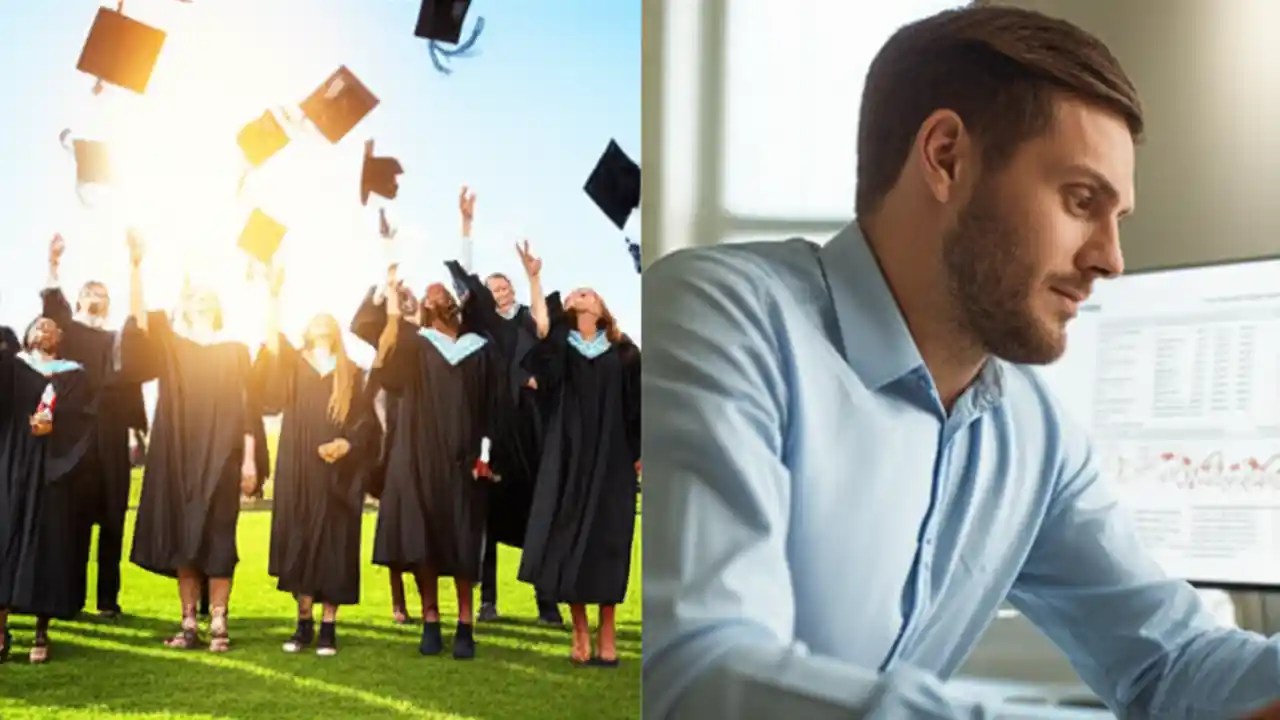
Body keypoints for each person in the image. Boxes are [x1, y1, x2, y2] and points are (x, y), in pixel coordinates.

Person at [642, 5, 1280, 720]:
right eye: (1081, 201)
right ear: (947, 157)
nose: (1110, 259)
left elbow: (1173, 661)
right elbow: (696, 674)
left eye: (1117, 219)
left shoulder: (1033, 436)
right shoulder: (719, 319)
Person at [121, 232, 268, 653]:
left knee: (220, 536)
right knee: (185, 539)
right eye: (194, 298)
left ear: (217, 308)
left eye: (208, 298)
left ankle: (219, 621)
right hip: (180, 456)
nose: (201, 301)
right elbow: (139, 327)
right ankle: (188, 623)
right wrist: (136, 267)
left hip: (223, 456)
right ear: (184, 306)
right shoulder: (172, 346)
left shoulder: (235, 351)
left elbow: (247, 409)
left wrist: (250, 461)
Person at [351, 266, 500, 660]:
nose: (437, 296)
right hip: (418, 456)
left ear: (454, 303)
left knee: (464, 539)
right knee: (423, 541)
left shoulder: (478, 349)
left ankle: (465, 623)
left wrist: (485, 455)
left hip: (462, 458)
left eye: (442, 293)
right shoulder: (415, 345)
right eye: (431, 294)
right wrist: (392, 301)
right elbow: (381, 353)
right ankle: (431, 618)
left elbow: (491, 407)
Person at [515, 241, 641, 668]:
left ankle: (608, 629)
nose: (580, 295)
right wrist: (534, 279)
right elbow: (540, 328)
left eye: (588, 293)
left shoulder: (625, 352)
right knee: (569, 539)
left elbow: (637, 405)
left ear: (602, 308)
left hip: (613, 458)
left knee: (609, 541)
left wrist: (639, 451)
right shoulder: (562, 347)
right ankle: (580, 629)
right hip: (568, 455)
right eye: (575, 293)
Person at [257, 268, 381, 656]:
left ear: (336, 331)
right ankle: (303, 622)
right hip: (299, 464)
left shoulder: (352, 372)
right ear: (307, 331)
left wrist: (347, 443)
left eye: (329, 320)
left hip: (338, 470)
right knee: (300, 539)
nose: (322, 322)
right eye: (316, 320)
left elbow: (366, 422)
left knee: (334, 543)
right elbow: (271, 344)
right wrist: (273, 295)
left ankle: (328, 626)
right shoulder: (294, 363)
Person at [455, 189, 563, 627]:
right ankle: (487, 601)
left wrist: (535, 278)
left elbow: (544, 325)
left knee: (539, 511)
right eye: (493, 288)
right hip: (493, 428)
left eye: (504, 287)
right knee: (488, 514)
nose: (498, 292)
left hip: (529, 427)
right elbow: (465, 282)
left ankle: (546, 601)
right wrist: (466, 226)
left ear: (513, 289)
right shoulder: (483, 324)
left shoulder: (525, 318)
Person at [41, 233, 148, 619]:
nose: (97, 298)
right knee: (75, 523)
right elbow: (53, 312)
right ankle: (70, 599)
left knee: (113, 520)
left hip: (113, 439)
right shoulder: (69, 334)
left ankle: (107, 601)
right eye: (90, 293)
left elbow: (135, 373)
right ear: (80, 300)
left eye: (103, 294)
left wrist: (139, 431)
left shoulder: (117, 340)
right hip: (77, 439)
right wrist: (54, 265)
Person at [0, 317, 96, 663]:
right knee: (5, 541)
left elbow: (85, 419)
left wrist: (57, 425)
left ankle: (42, 630)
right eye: (38, 325)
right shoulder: (12, 368)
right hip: (13, 464)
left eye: (52, 327)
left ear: (61, 338)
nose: (45, 330)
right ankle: (0, 630)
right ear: (27, 335)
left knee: (47, 545)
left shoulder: (74, 375)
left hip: (53, 469)